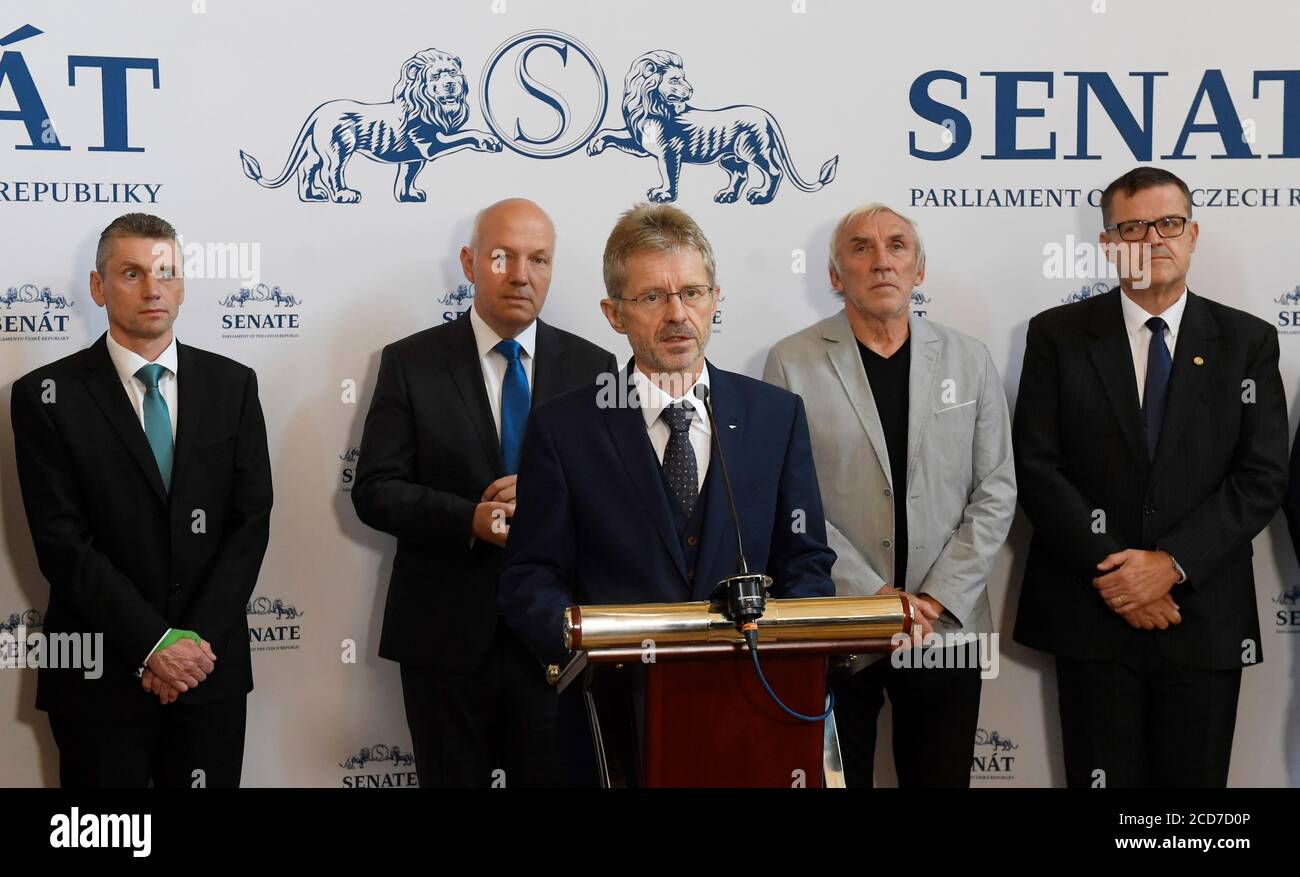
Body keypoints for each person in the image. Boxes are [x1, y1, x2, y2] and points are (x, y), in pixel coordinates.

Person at [497, 203, 835, 782]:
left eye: (693, 293)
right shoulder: (564, 428)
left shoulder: (774, 416)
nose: (678, 313)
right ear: (613, 313)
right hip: (616, 720)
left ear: (715, 298)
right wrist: (582, 640)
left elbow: (805, 562)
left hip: (751, 713)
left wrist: (786, 646)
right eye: (652, 297)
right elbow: (531, 576)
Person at [1013, 167, 1288, 787]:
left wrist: (1171, 564)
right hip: (1093, 612)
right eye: (1133, 227)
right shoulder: (1057, 336)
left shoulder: (1248, 341)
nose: (1153, 239)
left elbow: (1261, 477)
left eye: (1168, 223)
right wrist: (1119, 573)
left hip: (1203, 617)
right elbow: (1037, 466)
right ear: (1109, 243)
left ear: (1193, 235)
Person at [351, 198, 616, 788]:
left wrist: (550, 492)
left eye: (538, 260)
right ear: (470, 263)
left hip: (556, 643)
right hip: (444, 642)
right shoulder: (409, 362)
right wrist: (471, 519)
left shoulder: (595, 367)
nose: (521, 274)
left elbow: (621, 500)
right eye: (503, 257)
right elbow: (373, 490)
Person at [11, 212, 273, 787]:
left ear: (182, 284)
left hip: (208, 672)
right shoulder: (46, 397)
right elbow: (62, 543)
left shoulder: (234, 385)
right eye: (131, 273)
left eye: (166, 272)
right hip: (98, 677)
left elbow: (249, 524)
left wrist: (187, 651)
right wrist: (154, 643)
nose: (153, 289)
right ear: (99, 287)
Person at [764, 203, 1015, 787]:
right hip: (839, 620)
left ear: (918, 270)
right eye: (861, 248)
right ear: (834, 275)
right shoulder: (791, 362)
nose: (882, 261)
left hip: (945, 626)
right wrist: (871, 595)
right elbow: (785, 498)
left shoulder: (969, 360)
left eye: (897, 246)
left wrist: (935, 597)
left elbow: (996, 488)